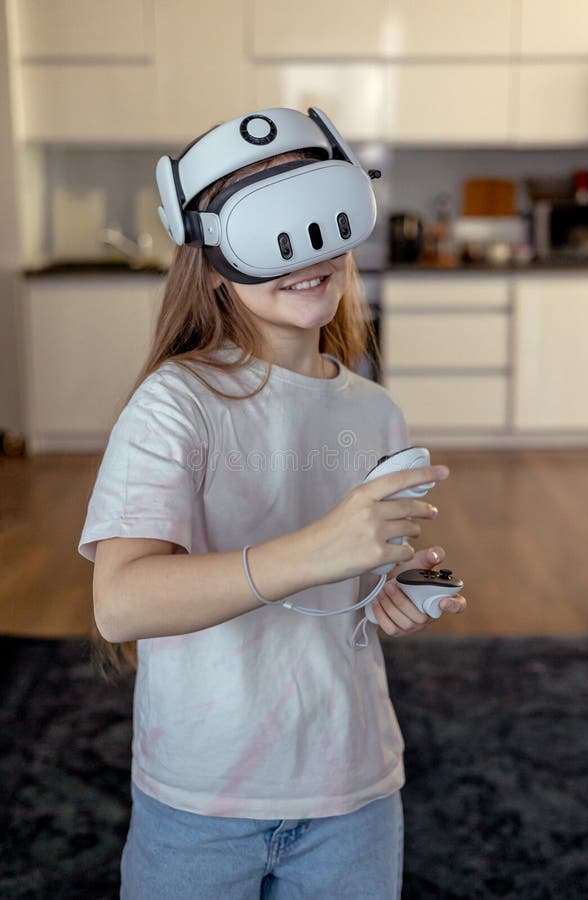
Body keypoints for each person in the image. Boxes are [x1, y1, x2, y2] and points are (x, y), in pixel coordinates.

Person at [78, 107, 467, 900]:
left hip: (353, 786)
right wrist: (317, 551)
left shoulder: (373, 412)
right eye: (271, 234)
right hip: (203, 798)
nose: (309, 255)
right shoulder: (176, 404)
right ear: (214, 263)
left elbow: (345, 594)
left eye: (321, 217)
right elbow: (120, 604)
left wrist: (387, 591)